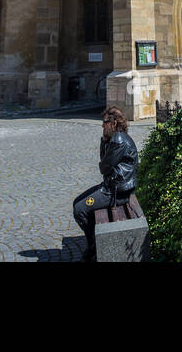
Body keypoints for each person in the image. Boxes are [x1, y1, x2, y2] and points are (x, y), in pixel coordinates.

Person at [72, 106, 138, 261]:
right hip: (112, 188)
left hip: (117, 193)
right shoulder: (115, 138)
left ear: (113, 123)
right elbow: (105, 165)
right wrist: (104, 140)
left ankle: (93, 247)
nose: (102, 126)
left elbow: (103, 167)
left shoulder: (119, 140)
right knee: (77, 203)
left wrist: (104, 142)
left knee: (79, 209)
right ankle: (94, 244)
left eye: (105, 123)